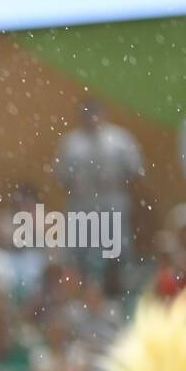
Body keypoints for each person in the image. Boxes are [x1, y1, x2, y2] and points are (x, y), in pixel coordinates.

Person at [54, 97, 145, 292]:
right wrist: (73, 184)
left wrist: (119, 181)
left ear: (103, 115)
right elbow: (61, 176)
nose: (91, 119)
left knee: (118, 252)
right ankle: (85, 295)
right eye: (87, 114)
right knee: (80, 255)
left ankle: (120, 295)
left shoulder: (120, 139)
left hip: (113, 205)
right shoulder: (71, 143)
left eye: (95, 114)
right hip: (82, 206)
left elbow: (136, 171)